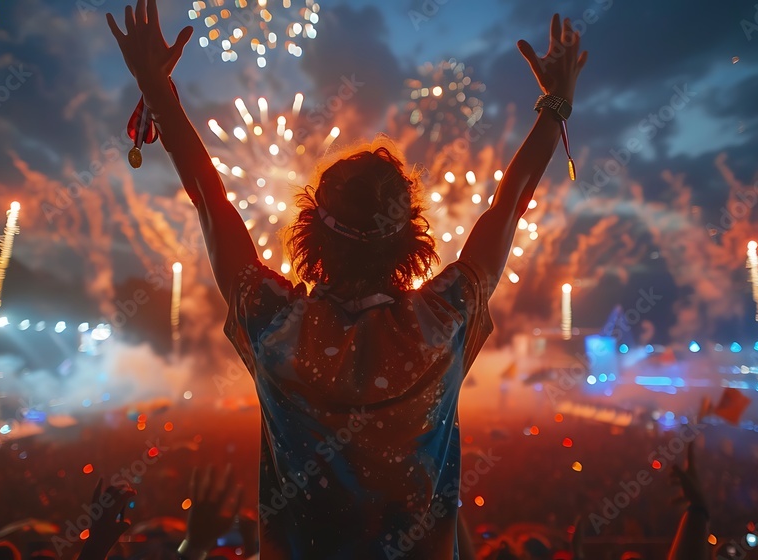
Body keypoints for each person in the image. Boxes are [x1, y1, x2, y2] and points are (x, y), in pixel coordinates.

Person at [106, 1, 586, 558]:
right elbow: (509, 204)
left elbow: (209, 198)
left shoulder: (275, 325)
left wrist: (156, 89)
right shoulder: (443, 322)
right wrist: (555, 107)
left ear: (308, 232)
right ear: (412, 239)